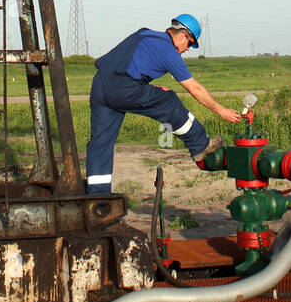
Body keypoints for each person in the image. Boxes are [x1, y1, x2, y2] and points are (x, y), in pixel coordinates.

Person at [84, 13, 242, 195]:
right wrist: (221, 110)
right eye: (190, 44)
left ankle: (98, 198)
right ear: (182, 36)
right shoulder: (168, 51)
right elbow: (195, 89)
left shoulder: (144, 34)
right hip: (123, 88)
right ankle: (200, 144)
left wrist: (142, 86)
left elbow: (129, 65)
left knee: (100, 143)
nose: (188, 49)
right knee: (169, 101)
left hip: (100, 86)